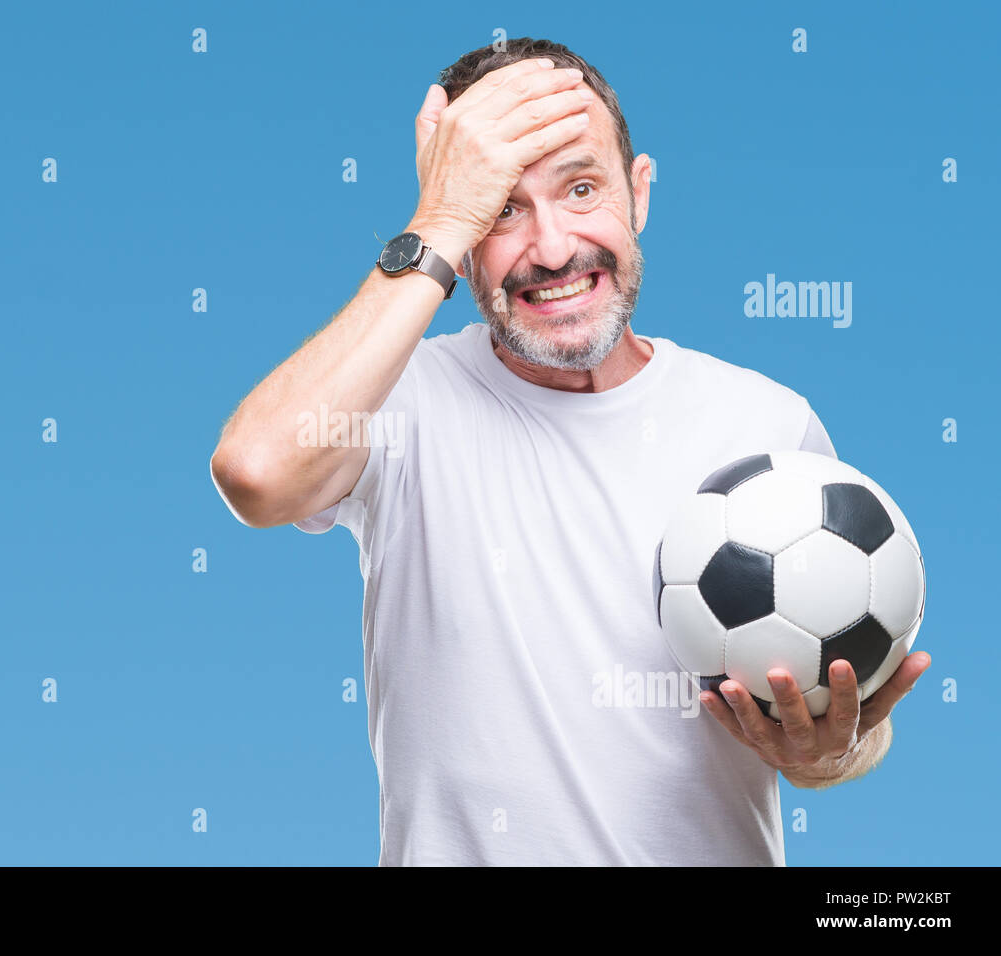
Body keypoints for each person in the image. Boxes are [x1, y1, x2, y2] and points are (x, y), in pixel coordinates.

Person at [209, 38, 930, 865]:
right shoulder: (398, 402)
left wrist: (826, 751)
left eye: (581, 188)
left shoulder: (767, 425)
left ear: (640, 193)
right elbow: (255, 474)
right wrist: (437, 222)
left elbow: (849, 721)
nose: (552, 250)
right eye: (501, 209)